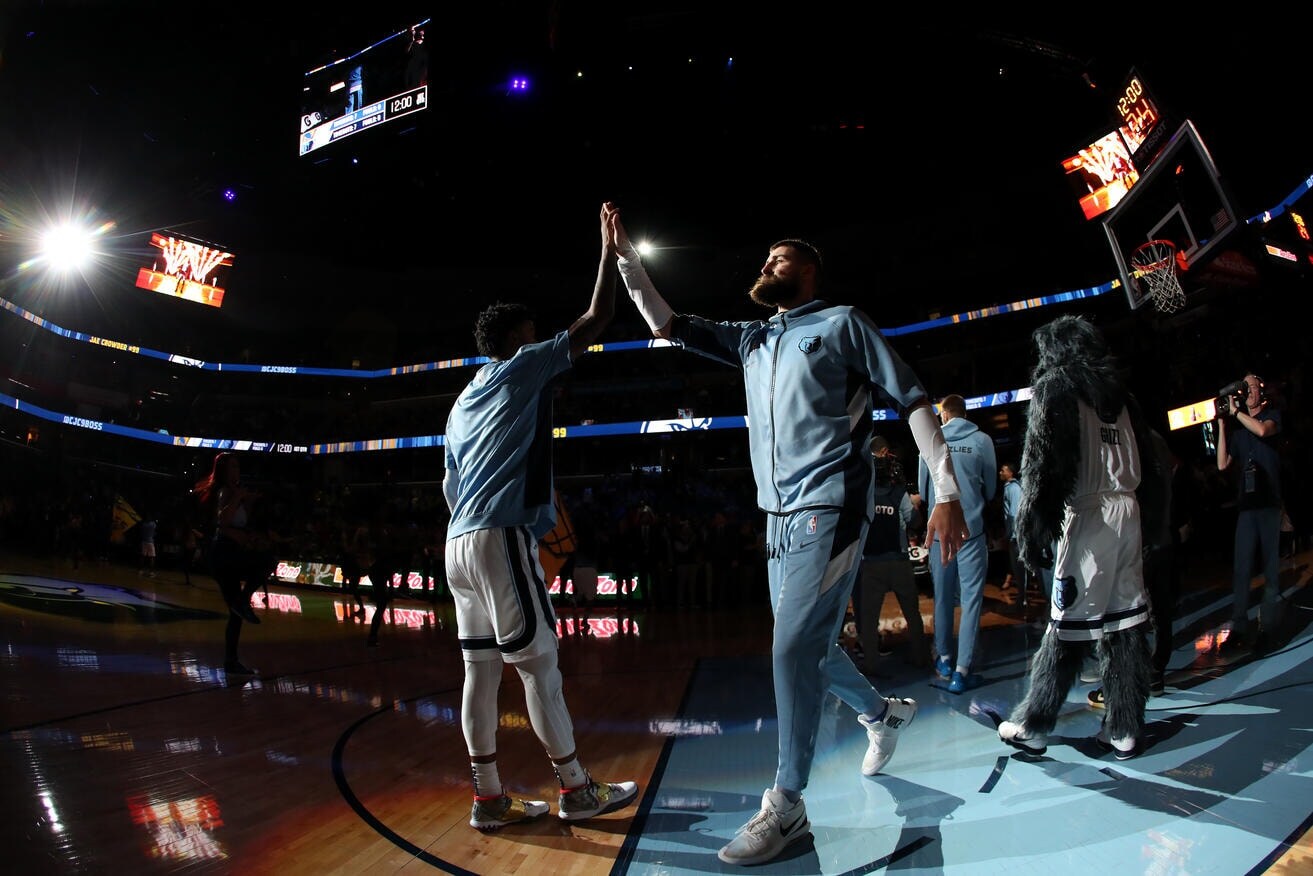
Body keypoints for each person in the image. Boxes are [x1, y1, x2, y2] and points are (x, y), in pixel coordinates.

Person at [614, 215, 967, 866]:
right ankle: (881, 714)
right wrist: (625, 265)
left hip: (829, 502)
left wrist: (944, 492)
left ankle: (786, 806)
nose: (765, 265)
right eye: (765, 258)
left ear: (807, 272)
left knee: (789, 647)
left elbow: (912, 397)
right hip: (775, 515)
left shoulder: (842, 323)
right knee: (811, 645)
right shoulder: (750, 338)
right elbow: (666, 324)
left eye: (778, 259)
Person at [442, 203, 638, 831]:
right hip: (499, 536)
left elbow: (448, 486)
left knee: (480, 675)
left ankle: (489, 799)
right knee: (541, 669)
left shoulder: (460, 402)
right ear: (516, 339)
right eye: (533, 330)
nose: (541, 337)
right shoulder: (520, 367)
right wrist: (609, 251)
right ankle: (577, 789)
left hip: (458, 543)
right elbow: (598, 317)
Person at [997, 315, 1164, 761]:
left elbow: (1044, 467)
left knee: (1066, 625)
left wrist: (1033, 531)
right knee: (1125, 624)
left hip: (1089, 515)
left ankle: (1034, 724)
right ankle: (1125, 726)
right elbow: (1154, 466)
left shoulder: (1056, 387)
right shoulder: (1124, 396)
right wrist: (1157, 525)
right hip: (1128, 512)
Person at [919, 393, 997, 693]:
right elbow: (990, 489)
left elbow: (925, 494)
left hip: (939, 534)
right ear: (964, 413)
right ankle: (962, 671)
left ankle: (944, 659)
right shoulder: (982, 441)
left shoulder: (931, 439)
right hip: (971, 533)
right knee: (971, 601)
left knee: (941, 597)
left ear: (944, 415)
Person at [1216, 372, 1283, 654]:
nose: (1249, 391)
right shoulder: (1239, 430)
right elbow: (1221, 464)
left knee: (1270, 569)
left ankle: (1267, 628)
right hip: (1247, 508)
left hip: (1269, 505)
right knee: (1242, 570)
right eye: (1246, 388)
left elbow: (1263, 431)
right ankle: (1239, 627)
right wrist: (1222, 423)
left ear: (1261, 391)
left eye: (1253, 387)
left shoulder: (1273, 416)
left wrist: (1236, 413)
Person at [193, 452, 275, 677]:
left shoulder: (234, 492)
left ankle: (231, 660)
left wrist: (247, 504)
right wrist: (239, 498)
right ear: (223, 471)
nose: (236, 472)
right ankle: (242, 602)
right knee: (267, 560)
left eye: (238, 468)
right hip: (223, 555)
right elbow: (224, 520)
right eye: (232, 468)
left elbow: (238, 524)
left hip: (230, 552)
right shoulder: (225, 492)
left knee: (236, 612)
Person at [857, 436, 927, 669]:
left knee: (869, 618)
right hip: (899, 562)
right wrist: (915, 506)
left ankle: (871, 662)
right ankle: (920, 657)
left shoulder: (864, 494)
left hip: (871, 564)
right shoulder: (899, 494)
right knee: (912, 612)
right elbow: (914, 522)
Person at [999, 462, 1028, 611]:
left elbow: (1014, 513)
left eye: (1003, 470)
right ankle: (1022, 598)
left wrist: (1011, 534)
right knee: (1018, 568)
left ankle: (1022, 599)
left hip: (1016, 535)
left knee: (1019, 567)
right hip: (1015, 534)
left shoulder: (1014, 489)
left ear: (1010, 472)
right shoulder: (1011, 488)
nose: (1000, 472)